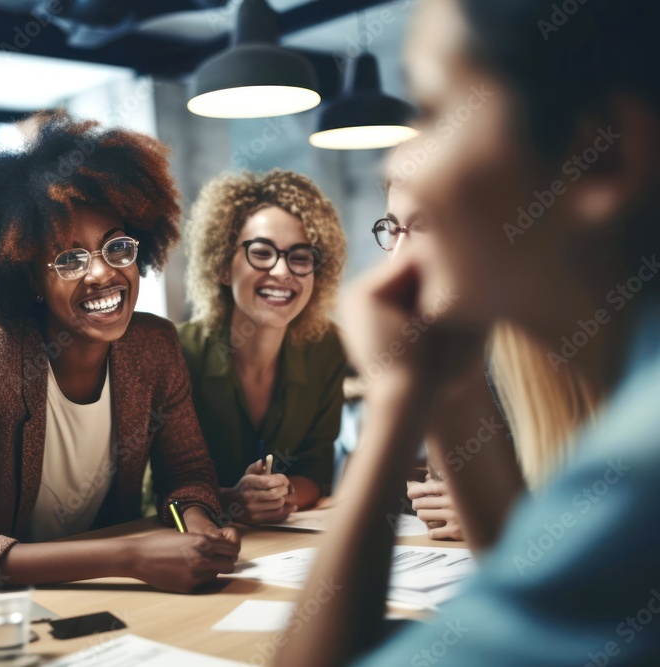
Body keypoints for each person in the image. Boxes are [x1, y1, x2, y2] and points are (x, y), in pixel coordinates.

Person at [277, 0, 660, 664]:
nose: (395, 166)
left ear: (602, 156)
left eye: (433, 110)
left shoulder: (641, 465)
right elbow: (530, 590)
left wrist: (396, 400)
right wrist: (443, 391)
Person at [0, 111, 239, 596]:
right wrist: (128, 557)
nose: (103, 273)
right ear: (30, 276)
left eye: (117, 248)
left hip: (99, 600)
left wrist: (197, 525)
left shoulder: (154, 345)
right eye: (70, 259)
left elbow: (187, 476)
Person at [377, 168, 600, 544]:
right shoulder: (453, 342)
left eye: (423, 225)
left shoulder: (563, 339)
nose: (396, 258)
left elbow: (610, 508)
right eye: (393, 230)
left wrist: (496, 516)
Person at [177, 170, 347, 525]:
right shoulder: (177, 352)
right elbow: (162, 488)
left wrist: (279, 497)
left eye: (300, 257)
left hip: (282, 542)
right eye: (261, 252)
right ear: (223, 266)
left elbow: (315, 471)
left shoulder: (326, 346)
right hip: (190, 541)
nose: (282, 271)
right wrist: (231, 500)